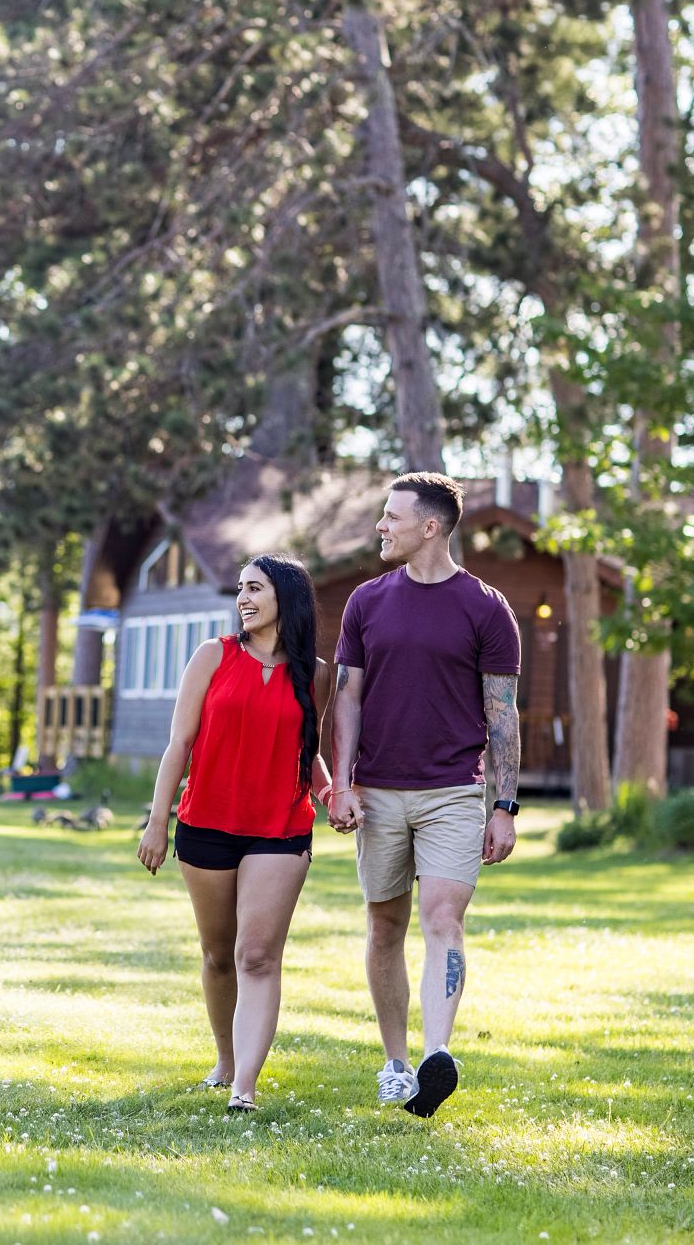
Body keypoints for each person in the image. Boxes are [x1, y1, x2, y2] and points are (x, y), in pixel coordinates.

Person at [327, 472, 522, 1119]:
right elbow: (346, 697)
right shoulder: (366, 602)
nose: (382, 527)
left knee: (444, 918)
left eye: (391, 517)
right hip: (379, 791)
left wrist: (504, 804)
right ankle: (395, 1062)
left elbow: (503, 715)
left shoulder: (486, 609)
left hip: (452, 795)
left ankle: (437, 1054)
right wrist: (344, 780)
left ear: (430, 526)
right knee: (386, 925)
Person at [138, 554, 336, 1114]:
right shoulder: (213, 657)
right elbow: (178, 745)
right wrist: (159, 822)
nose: (244, 598)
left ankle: (243, 1087)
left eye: (256, 588)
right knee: (219, 954)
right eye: (242, 589)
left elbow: (310, 755)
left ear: (286, 599)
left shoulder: (316, 673)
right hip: (206, 824)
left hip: (281, 828)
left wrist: (331, 795)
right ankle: (224, 1060)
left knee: (257, 956)